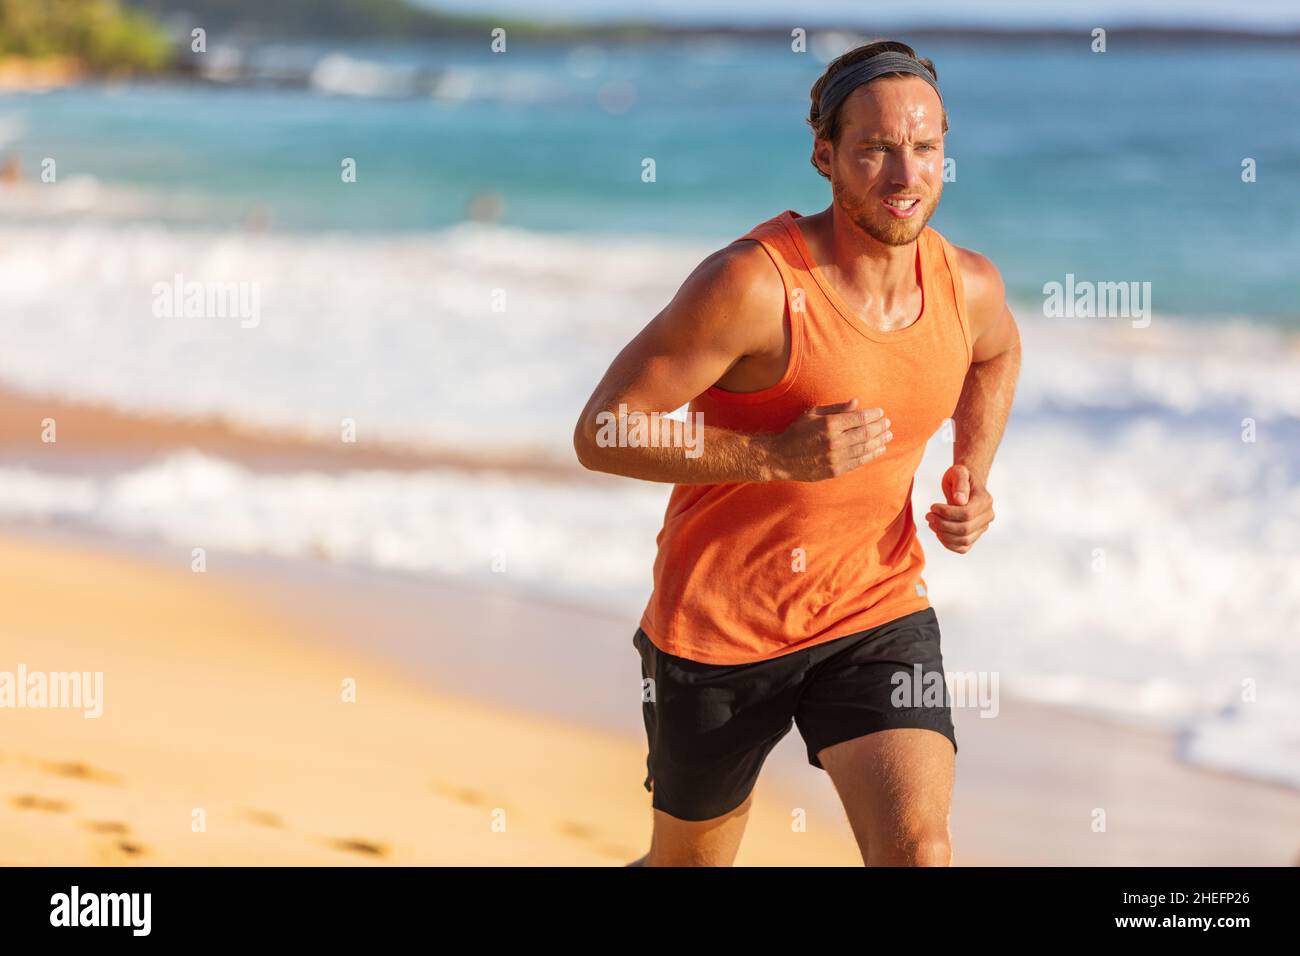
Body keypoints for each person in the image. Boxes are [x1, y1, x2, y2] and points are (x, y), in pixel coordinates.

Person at [573, 39, 1021, 866]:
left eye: (925, 149)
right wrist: (772, 456)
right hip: (720, 630)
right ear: (825, 156)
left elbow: (996, 354)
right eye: (876, 149)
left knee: (918, 851)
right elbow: (603, 430)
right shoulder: (752, 285)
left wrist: (975, 473)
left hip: (873, 611)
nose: (904, 175)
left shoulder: (968, 285)